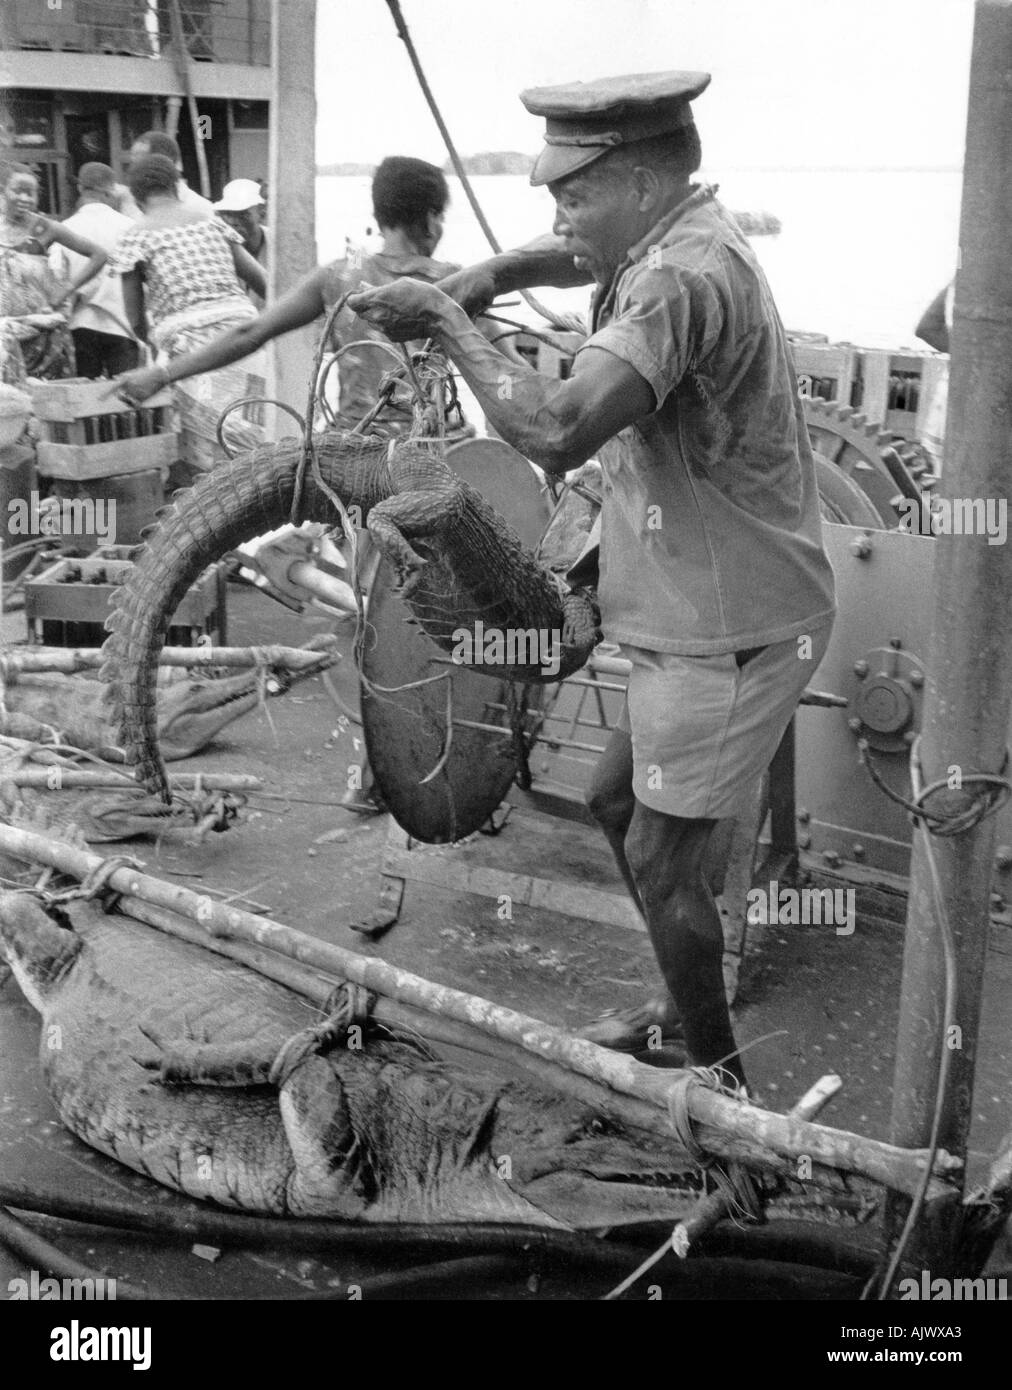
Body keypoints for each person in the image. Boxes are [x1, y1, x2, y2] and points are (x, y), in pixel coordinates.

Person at [345, 72, 837, 1089]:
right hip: (694, 602)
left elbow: (557, 429)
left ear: (644, 179)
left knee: (660, 854)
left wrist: (447, 320)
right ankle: (676, 1009)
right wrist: (485, 275)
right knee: (616, 804)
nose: (558, 217)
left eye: (574, 192)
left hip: (729, 621)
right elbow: (568, 255)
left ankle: (720, 1085)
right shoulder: (666, 236)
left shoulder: (678, 280)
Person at [109, 155, 466, 432]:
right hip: (432, 448)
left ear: (378, 212)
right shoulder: (457, 283)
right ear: (432, 219)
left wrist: (161, 374)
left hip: (355, 447)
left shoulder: (337, 276)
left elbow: (251, 333)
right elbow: (502, 370)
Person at [107, 153, 267, 472]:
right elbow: (264, 282)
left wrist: (154, 349)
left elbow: (136, 319)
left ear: (137, 199)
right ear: (176, 188)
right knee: (257, 439)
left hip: (189, 350)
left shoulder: (135, 235)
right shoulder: (212, 222)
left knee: (205, 456)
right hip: (244, 338)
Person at [0, 163, 107, 381]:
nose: (24, 198)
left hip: (42, 333)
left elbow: (98, 254)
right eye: (17, 191)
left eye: (30, 193)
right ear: (2, 190)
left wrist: (66, 290)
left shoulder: (44, 228)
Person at [53, 162, 141, 378]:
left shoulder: (65, 229)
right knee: (125, 402)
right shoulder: (131, 228)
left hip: (80, 326)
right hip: (123, 327)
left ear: (80, 189)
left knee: (84, 401)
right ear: (111, 190)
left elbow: (56, 277)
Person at [118, 131, 215, 221]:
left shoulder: (199, 207)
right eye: (133, 158)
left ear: (167, 161)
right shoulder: (125, 201)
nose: (133, 166)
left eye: (141, 159)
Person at [214, 179, 268, 307]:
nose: (232, 221)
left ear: (262, 212)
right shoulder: (216, 249)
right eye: (227, 214)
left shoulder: (281, 246)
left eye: (242, 214)